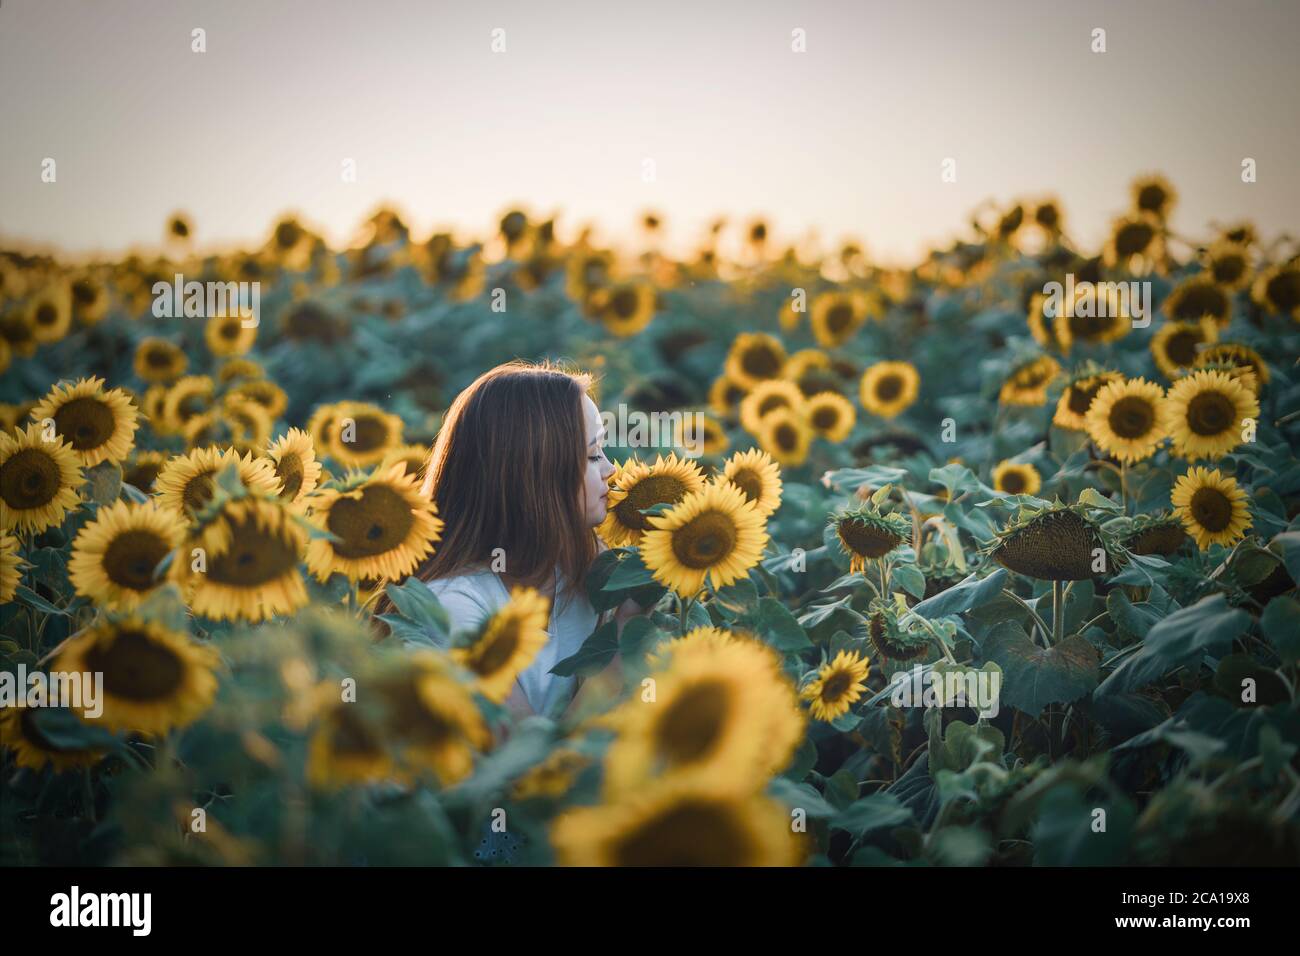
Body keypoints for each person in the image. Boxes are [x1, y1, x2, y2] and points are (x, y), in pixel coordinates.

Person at [392, 360, 628, 720]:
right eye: (593, 454)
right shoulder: (452, 607)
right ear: (536, 473)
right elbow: (527, 764)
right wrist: (625, 635)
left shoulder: (584, 573)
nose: (611, 469)